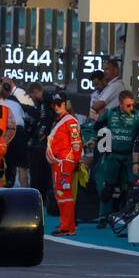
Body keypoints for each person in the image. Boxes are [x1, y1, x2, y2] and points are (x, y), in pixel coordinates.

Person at [87, 90, 139, 226]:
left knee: (132, 187)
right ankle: (103, 216)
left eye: (132, 105)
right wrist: (93, 138)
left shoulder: (138, 116)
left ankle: (128, 216)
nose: (131, 108)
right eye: (128, 105)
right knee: (107, 187)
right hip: (112, 155)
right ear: (120, 104)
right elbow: (95, 126)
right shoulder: (110, 113)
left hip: (130, 157)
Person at [44, 92, 83, 236]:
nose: (56, 106)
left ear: (66, 104)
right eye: (54, 104)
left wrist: (73, 163)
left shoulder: (70, 121)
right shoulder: (58, 120)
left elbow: (77, 144)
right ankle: (66, 225)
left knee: (63, 194)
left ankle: (67, 227)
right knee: (61, 194)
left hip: (64, 163)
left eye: (59, 103)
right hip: (58, 163)